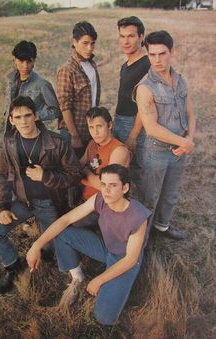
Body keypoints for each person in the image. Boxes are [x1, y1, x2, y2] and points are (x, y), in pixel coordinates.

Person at [27, 164, 151, 326]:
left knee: (103, 318)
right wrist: (36, 245)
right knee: (62, 233)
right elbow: (66, 220)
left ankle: (115, 289)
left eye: (113, 185)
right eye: (103, 184)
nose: (106, 190)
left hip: (124, 258)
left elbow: (130, 259)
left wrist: (98, 280)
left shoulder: (138, 215)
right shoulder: (100, 198)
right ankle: (77, 277)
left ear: (125, 187)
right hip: (106, 247)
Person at [0, 96, 82, 294]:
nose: (23, 122)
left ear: (36, 116)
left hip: (49, 203)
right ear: (11, 119)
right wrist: (3, 207)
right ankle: (13, 266)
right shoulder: (9, 141)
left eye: (28, 115)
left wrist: (45, 176)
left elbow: (75, 175)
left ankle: (47, 253)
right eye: (18, 117)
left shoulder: (57, 142)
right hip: (22, 201)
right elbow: (3, 175)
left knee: (54, 248)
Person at [131, 31, 196, 240]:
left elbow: (191, 114)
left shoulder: (180, 80)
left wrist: (189, 141)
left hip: (179, 150)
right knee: (149, 198)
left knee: (170, 195)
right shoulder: (144, 87)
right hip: (156, 152)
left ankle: (162, 227)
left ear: (171, 52)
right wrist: (184, 142)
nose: (157, 60)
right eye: (152, 55)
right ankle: (142, 241)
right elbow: (151, 128)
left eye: (162, 53)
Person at [57, 21, 101, 158]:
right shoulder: (67, 70)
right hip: (73, 134)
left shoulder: (92, 64)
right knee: (72, 173)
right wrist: (74, 135)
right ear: (74, 42)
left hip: (90, 130)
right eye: (85, 43)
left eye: (92, 43)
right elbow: (65, 106)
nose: (89, 48)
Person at [4, 40, 61, 129]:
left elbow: (56, 110)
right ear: (14, 60)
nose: (25, 66)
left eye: (29, 61)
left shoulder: (42, 84)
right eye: (21, 61)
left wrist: (37, 115)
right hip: (11, 132)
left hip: (32, 133)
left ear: (34, 61)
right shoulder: (10, 80)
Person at [113, 16, 150, 147]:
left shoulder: (147, 65)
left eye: (131, 36)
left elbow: (146, 106)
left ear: (141, 37)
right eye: (122, 36)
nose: (125, 41)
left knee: (135, 165)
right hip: (118, 120)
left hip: (134, 125)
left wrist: (133, 136)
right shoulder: (125, 65)